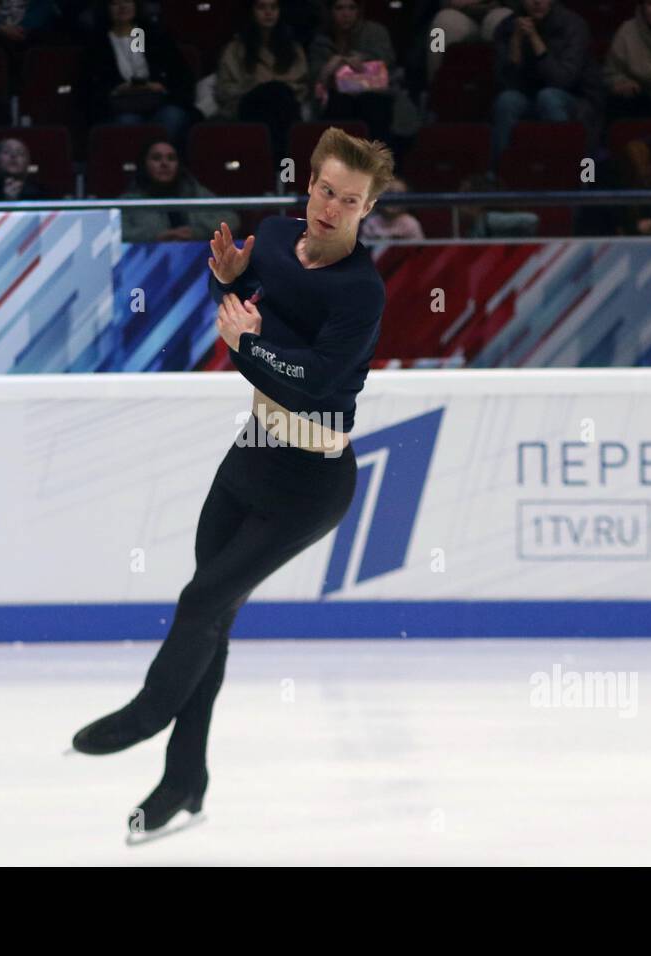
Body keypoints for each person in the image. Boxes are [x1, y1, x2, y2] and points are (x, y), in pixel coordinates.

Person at [71, 127, 395, 841]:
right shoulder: (276, 238)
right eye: (325, 190)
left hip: (311, 482)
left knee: (201, 600)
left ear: (368, 209)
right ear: (307, 184)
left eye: (351, 200)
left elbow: (313, 383)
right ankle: (185, 780)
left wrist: (248, 345)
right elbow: (253, 315)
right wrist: (228, 281)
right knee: (211, 624)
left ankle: (151, 710)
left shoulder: (360, 294)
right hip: (249, 454)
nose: (332, 207)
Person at [490, 0, 603, 163]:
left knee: (549, 97)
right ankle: (500, 177)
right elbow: (505, 85)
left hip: (576, 98)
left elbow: (563, 80)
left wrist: (535, 39)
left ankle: (566, 172)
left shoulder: (572, 25)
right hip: (529, 96)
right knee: (507, 101)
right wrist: (516, 42)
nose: (537, 2)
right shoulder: (507, 27)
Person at [85, 0, 197, 151]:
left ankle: (164, 164)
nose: (122, 7)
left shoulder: (156, 35)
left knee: (172, 116)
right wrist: (116, 90)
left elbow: (181, 76)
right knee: (127, 122)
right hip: (121, 107)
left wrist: (160, 87)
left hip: (160, 102)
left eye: (127, 2)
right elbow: (90, 87)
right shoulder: (97, 43)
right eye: (115, 3)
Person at [215, 0, 310, 159]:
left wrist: (272, 85)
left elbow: (302, 84)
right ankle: (282, 169)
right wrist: (257, 87)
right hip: (248, 105)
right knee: (270, 94)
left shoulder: (293, 49)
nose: (268, 12)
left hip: (285, 105)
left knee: (278, 94)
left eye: (273, 7)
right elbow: (225, 89)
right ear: (252, 11)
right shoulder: (235, 49)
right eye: (262, 7)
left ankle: (280, 168)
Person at [308, 0, 398, 145]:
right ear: (330, 12)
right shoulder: (321, 40)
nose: (346, 14)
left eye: (351, 8)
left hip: (375, 95)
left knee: (373, 105)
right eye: (339, 8)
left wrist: (363, 59)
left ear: (359, 11)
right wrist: (332, 65)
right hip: (337, 98)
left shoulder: (375, 32)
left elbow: (388, 61)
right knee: (340, 105)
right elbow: (315, 80)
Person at [118, 137, 240, 243]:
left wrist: (195, 233)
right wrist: (155, 237)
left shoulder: (195, 192)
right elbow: (115, 234)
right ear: (144, 164)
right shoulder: (130, 200)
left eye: (171, 158)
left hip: (197, 259)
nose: (164, 163)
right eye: (156, 158)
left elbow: (232, 221)